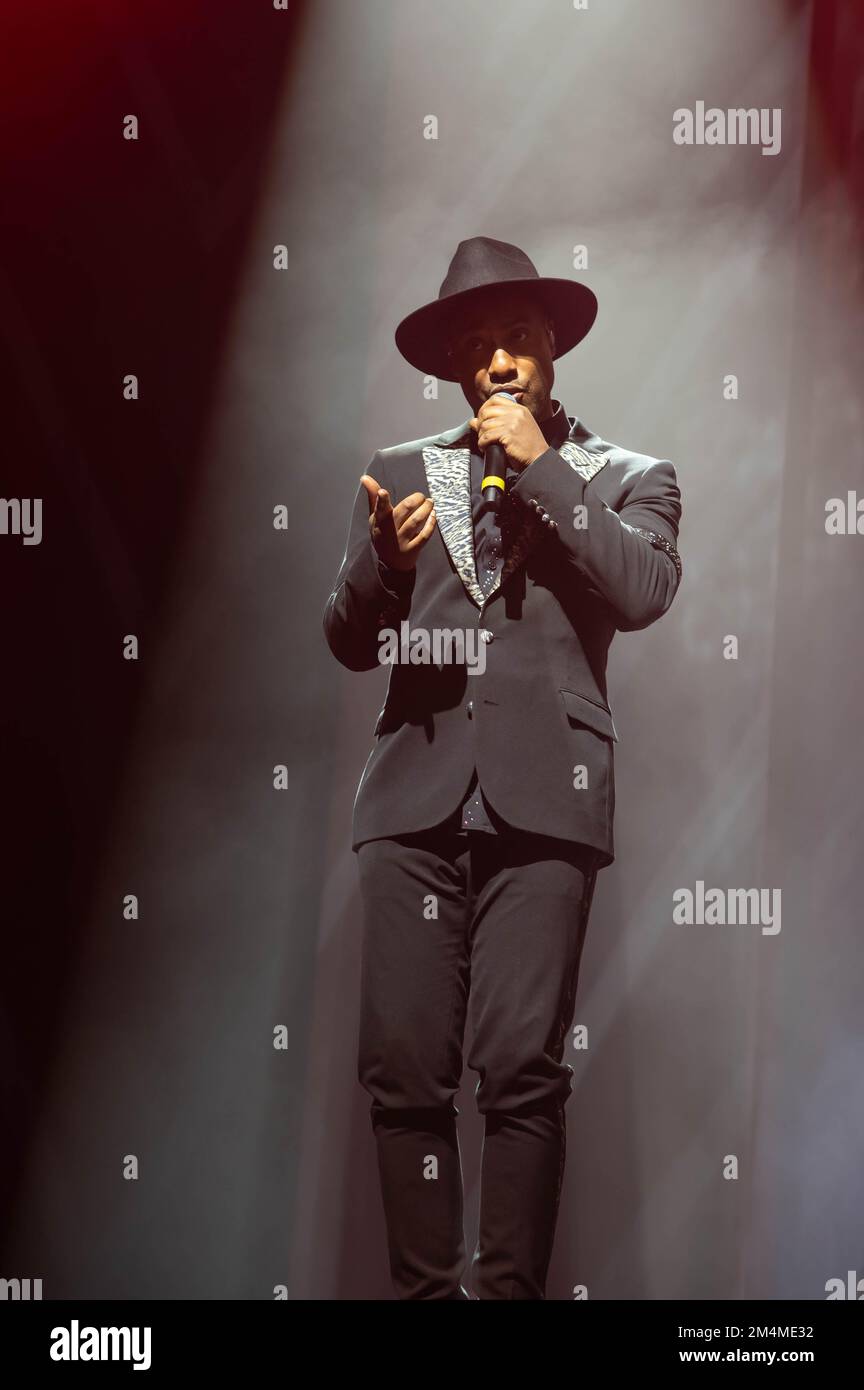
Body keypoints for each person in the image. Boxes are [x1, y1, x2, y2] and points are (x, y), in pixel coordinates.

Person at [323, 236, 683, 1300]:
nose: (495, 361)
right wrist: (385, 564)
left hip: (547, 802)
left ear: (552, 346)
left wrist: (545, 470)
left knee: (522, 1068)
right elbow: (347, 638)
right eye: (473, 347)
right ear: (454, 368)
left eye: (515, 338)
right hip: (412, 799)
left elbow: (645, 590)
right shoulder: (398, 474)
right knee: (403, 1073)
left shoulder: (628, 476)